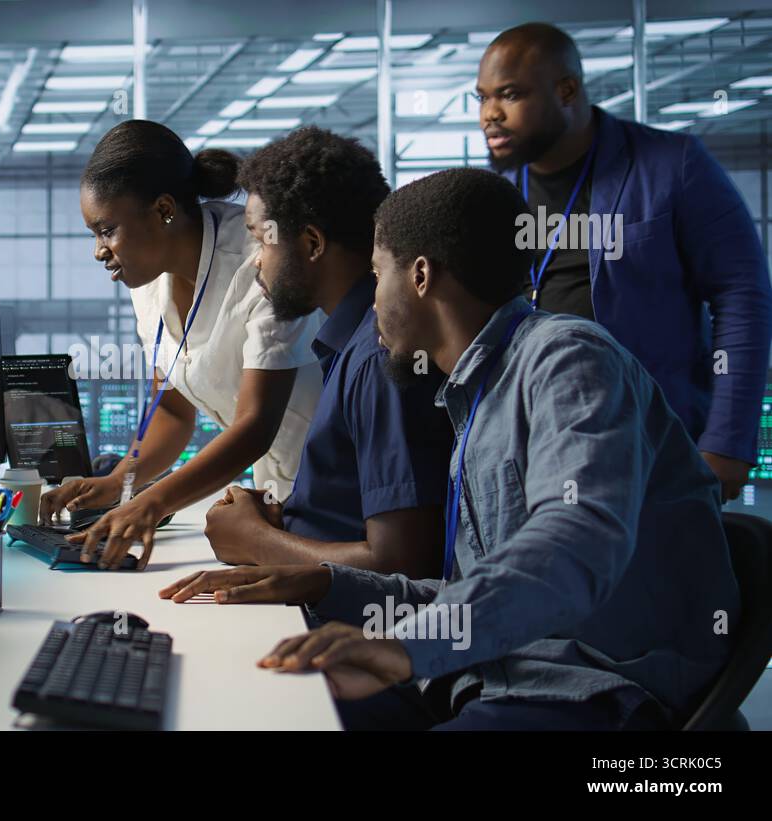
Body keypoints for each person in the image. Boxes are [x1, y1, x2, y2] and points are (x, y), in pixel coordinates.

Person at [161, 168, 741, 731]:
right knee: (263, 706)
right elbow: (472, 594)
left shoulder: (568, 360)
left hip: (590, 688)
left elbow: (576, 541)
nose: (372, 299)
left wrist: (407, 645)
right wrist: (321, 583)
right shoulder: (471, 396)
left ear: (418, 276)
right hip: (487, 672)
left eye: (377, 272)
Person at [476, 22, 772, 500]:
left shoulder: (671, 164)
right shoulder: (492, 193)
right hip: (524, 447)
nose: (490, 114)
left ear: (567, 89)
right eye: (482, 98)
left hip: (648, 445)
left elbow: (743, 296)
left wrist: (729, 443)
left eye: (509, 95)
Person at [40, 120, 323, 570]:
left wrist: (150, 504)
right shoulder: (146, 282)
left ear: (164, 210)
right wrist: (118, 483)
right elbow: (172, 411)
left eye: (107, 230)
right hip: (279, 493)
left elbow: (256, 424)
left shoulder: (261, 263)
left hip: (334, 493)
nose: (98, 250)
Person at [203, 126, 451, 578]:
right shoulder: (346, 344)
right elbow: (350, 517)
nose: (256, 260)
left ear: (313, 244)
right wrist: (287, 520)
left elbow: (402, 564)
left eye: (262, 240)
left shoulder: (379, 360)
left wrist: (255, 541)